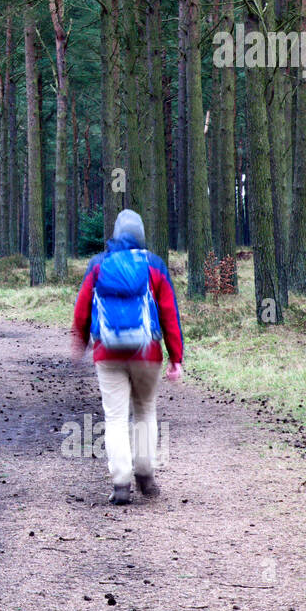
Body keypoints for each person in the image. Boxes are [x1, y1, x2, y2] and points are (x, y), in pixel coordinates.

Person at [71, 209, 183, 505]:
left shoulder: (98, 265)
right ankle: (145, 473)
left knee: (116, 418)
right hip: (146, 352)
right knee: (145, 410)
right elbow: (169, 313)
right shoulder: (153, 265)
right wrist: (176, 357)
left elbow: (82, 307)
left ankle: (121, 484)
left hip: (107, 352)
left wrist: (80, 342)